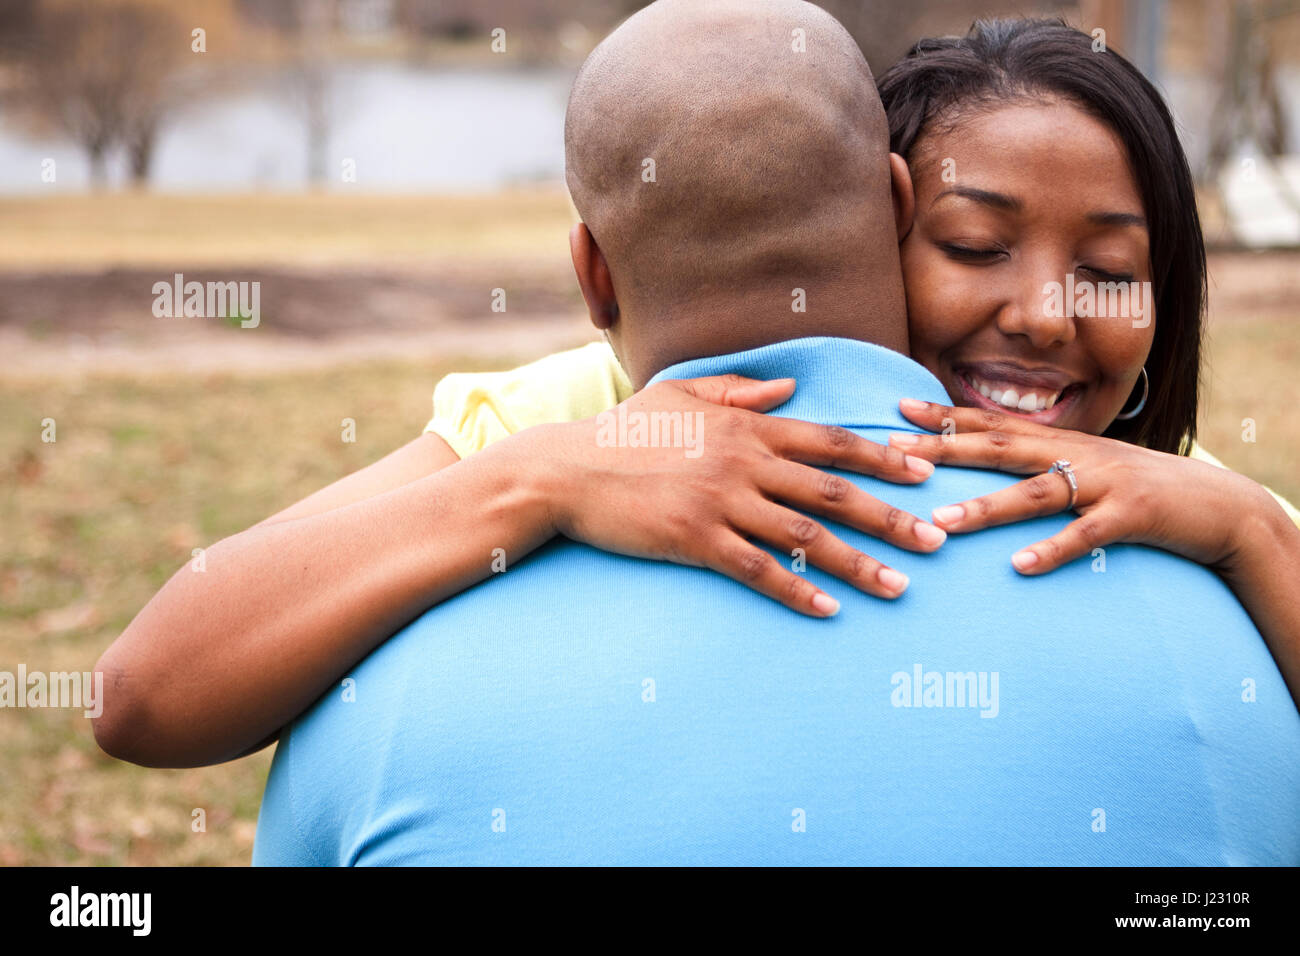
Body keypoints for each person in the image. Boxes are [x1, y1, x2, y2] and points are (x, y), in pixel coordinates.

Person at [248, 0, 1299, 865]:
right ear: (877, 218)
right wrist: (542, 478)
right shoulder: (575, 409)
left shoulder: (1163, 491)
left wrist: (1252, 527)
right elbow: (150, 687)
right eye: (975, 245)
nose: (1042, 315)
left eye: (1112, 274)